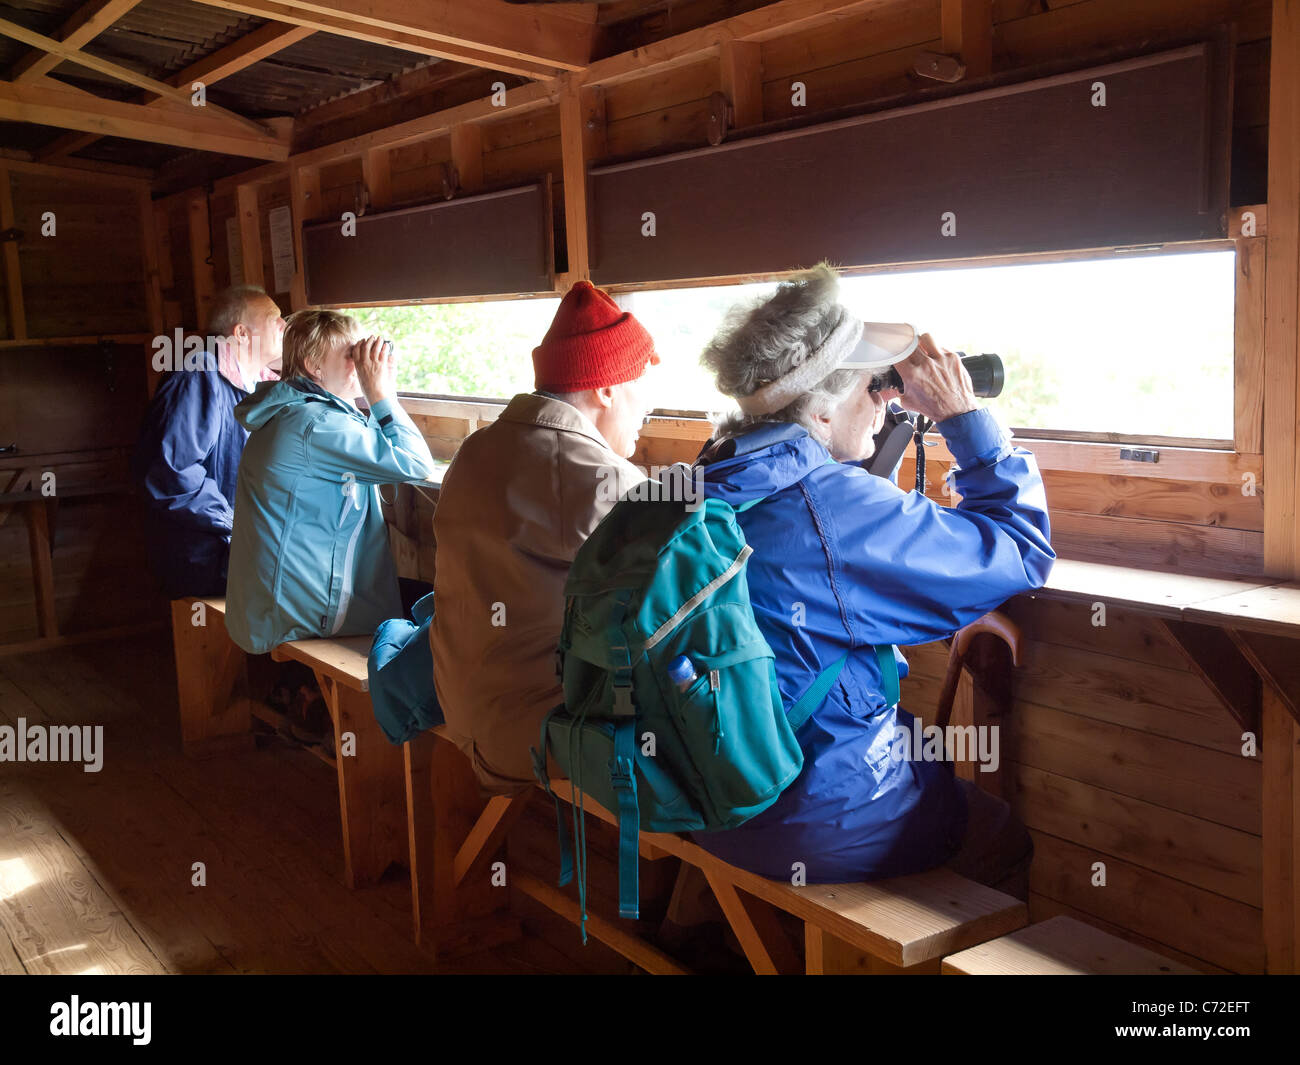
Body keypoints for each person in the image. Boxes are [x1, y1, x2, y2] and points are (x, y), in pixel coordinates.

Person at [688, 262, 1055, 898]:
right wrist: (962, 418)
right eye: (871, 388)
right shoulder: (835, 507)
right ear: (822, 416)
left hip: (699, 791)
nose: (884, 404)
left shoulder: (712, 478)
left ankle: (694, 939)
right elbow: (1021, 551)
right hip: (809, 817)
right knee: (1001, 835)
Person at [431, 281, 657, 792]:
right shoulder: (607, 481)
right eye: (640, 383)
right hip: (532, 732)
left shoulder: (475, 450)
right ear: (604, 388)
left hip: (457, 701)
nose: (646, 408)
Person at [224, 309, 435, 655]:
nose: (361, 365)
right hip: (298, 615)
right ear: (314, 366)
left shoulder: (290, 411)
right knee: (434, 612)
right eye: (351, 356)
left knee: (419, 601)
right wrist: (381, 393)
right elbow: (415, 462)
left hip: (270, 606)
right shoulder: (316, 424)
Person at [132, 285, 284, 598]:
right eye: (274, 318)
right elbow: (174, 474)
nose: (284, 326)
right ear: (241, 333)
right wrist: (235, 522)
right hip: (204, 553)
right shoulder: (199, 374)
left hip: (242, 546)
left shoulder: (266, 385)